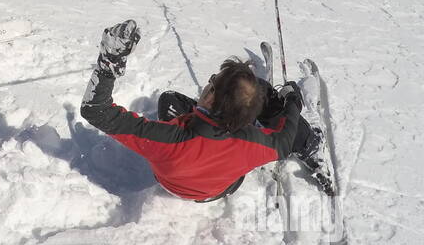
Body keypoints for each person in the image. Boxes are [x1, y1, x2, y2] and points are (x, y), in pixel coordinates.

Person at [79, 19, 332, 203]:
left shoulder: (165, 138)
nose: (208, 83)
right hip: (222, 187)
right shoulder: (253, 143)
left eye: (211, 81)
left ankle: (259, 99)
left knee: (169, 101)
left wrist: (109, 61)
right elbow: (285, 140)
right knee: (274, 110)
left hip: (172, 183)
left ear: (210, 96)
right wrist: (292, 102)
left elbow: (95, 110)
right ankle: (309, 144)